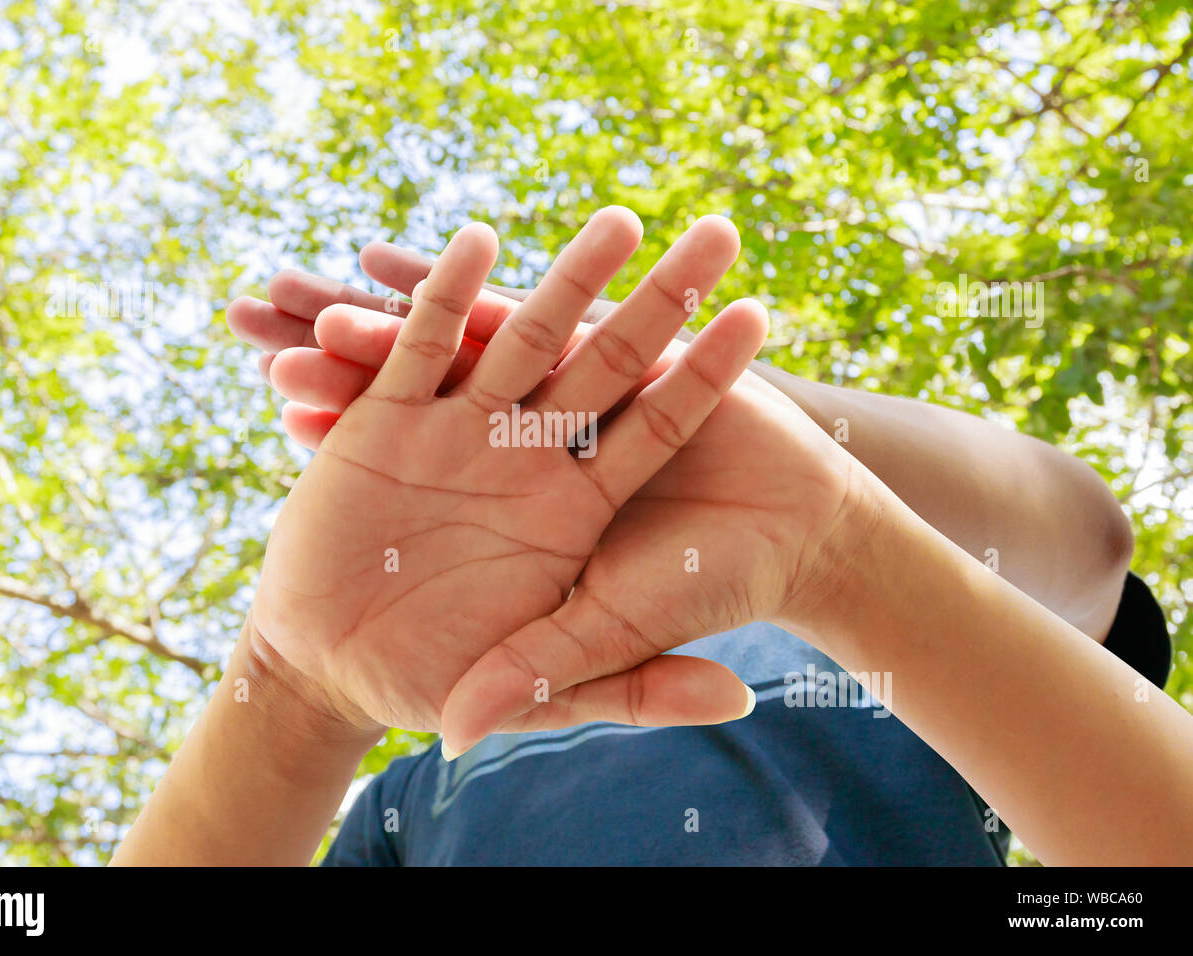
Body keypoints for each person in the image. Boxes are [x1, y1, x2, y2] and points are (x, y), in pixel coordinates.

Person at [113, 207, 1186, 866]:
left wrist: (829, 529)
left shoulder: (863, 663)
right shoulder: (419, 788)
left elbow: (1085, 544)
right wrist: (293, 692)